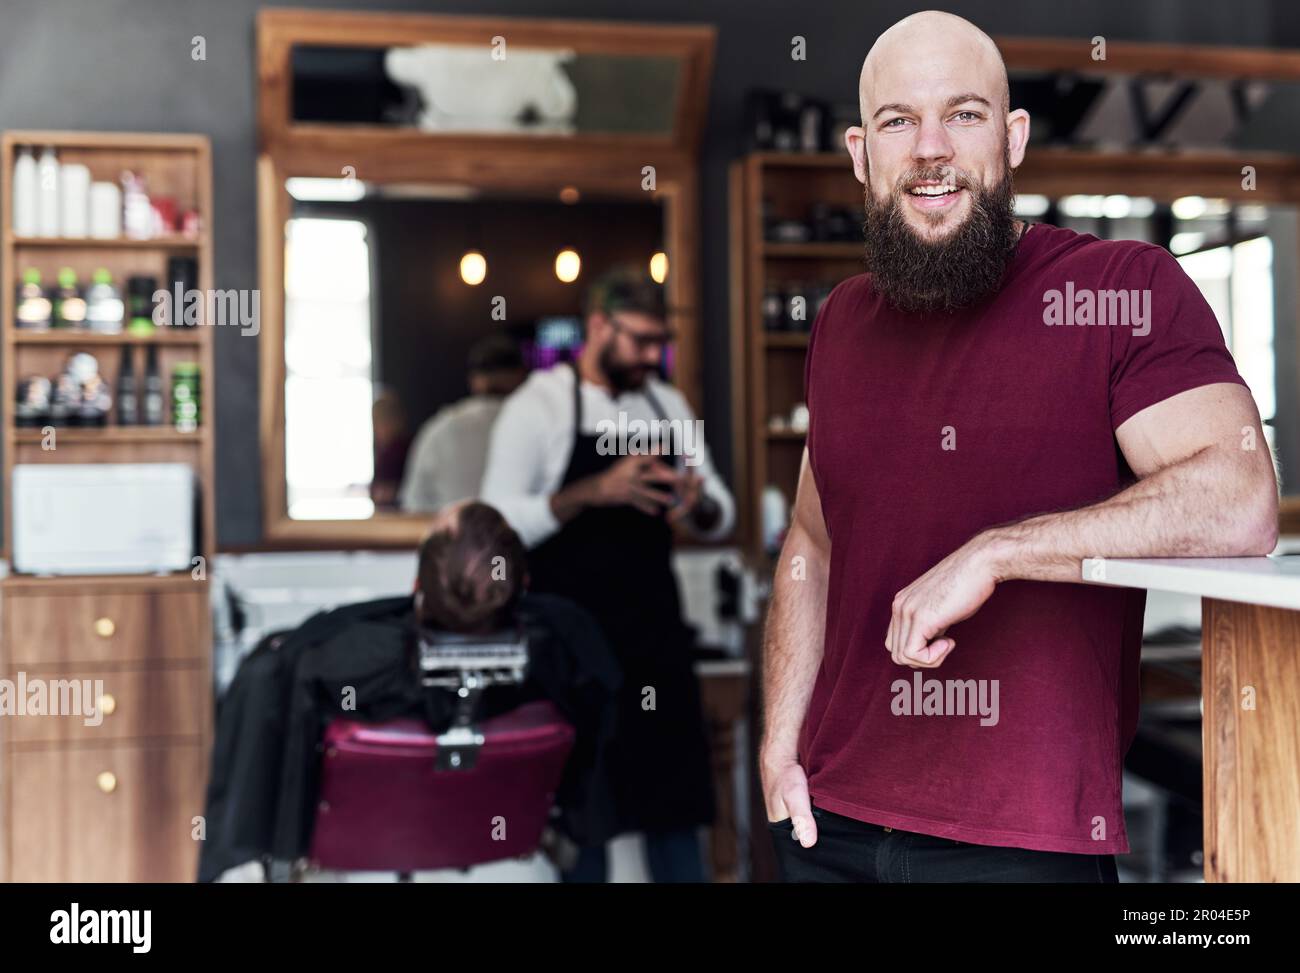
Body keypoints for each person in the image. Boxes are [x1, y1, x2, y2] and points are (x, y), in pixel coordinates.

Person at [761, 10, 1278, 884]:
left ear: (1012, 138)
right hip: (829, 822)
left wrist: (1000, 552)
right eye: (898, 121)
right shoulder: (842, 321)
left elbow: (1242, 497)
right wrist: (778, 752)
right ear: (860, 153)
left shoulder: (1123, 288)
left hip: (1025, 839)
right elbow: (813, 539)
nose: (930, 148)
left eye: (962, 115)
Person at [480, 266, 735, 882]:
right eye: (641, 341)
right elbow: (494, 520)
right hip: (571, 649)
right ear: (598, 326)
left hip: (656, 641)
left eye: (660, 343)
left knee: (675, 811)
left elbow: (720, 513)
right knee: (584, 815)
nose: (653, 356)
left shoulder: (666, 403)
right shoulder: (537, 406)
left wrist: (693, 502)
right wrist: (592, 491)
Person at [400, 336, 527, 513]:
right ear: (520, 375)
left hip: (454, 536)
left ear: (475, 380)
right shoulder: (536, 424)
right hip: (520, 537)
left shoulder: (441, 427)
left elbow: (414, 502)